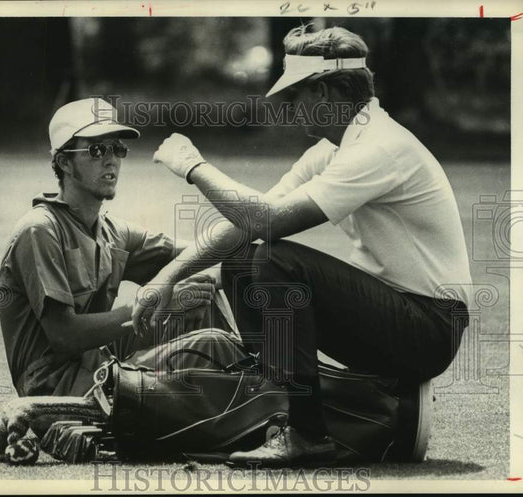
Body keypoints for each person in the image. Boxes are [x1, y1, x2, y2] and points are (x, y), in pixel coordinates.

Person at [132, 25, 472, 466]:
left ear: (328, 93)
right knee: (242, 261)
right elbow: (246, 225)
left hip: (429, 329)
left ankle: (307, 433)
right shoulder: (338, 146)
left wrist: (194, 166)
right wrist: (169, 277)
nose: (290, 107)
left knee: (275, 258)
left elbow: (267, 223)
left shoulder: (380, 146)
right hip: (400, 317)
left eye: (296, 95)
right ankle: (270, 410)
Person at [0, 98, 217, 398]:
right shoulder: (39, 230)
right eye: (97, 150)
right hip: (55, 384)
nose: (111, 160)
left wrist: (257, 230)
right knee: (207, 346)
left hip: (98, 361)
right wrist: (151, 302)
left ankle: (252, 390)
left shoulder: (113, 230)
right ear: (64, 162)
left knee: (197, 299)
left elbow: (201, 253)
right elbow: (64, 335)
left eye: (117, 149)